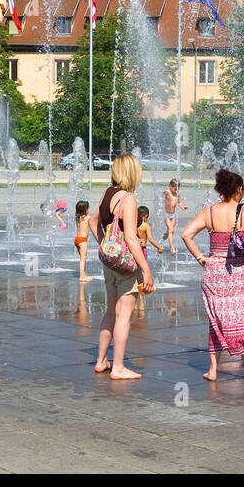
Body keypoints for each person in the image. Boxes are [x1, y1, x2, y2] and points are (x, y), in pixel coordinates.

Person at [182, 169, 244, 382]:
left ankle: (213, 371)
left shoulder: (209, 212)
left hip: (215, 271)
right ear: (239, 190)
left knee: (216, 321)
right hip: (243, 271)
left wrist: (200, 258)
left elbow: (186, 234)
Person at [91, 155, 155, 380]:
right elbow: (130, 236)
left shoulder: (107, 193)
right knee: (124, 316)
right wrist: (145, 268)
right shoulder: (128, 198)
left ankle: (101, 361)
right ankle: (118, 367)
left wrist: (105, 246)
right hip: (126, 265)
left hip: (110, 264)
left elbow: (92, 221)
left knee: (110, 312)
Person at [73, 200, 94, 283]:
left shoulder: (78, 218)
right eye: (88, 208)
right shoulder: (87, 217)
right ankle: (82, 276)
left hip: (77, 240)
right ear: (85, 210)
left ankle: (84, 274)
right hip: (83, 241)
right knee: (83, 258)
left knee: (82, 257)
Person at [163, 178, 187, 246]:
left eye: (177, 189)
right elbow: (160, 196)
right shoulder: (167, 192)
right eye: (175, 188)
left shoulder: (177, 194)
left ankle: (160, 242)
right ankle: (172, 248)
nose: (176, 190)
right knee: (171, 230)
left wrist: (183, 207)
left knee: (169, 233)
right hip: (166, 215)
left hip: (172, 216)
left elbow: (179, 203)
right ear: (170, 186)